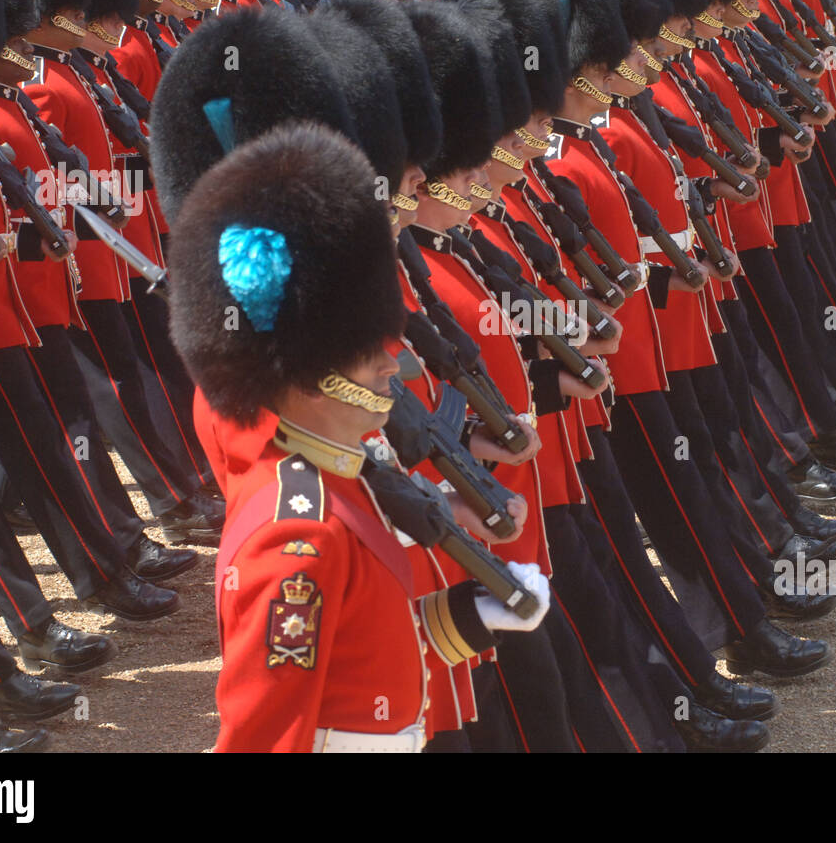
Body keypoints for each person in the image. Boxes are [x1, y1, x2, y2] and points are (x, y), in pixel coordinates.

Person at [167, 119, 550, 752]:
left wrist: (475, 618)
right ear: (310, 374)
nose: (387, 365)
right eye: (360, 349)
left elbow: (374, 640)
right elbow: (268, 734)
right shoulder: (297, 535)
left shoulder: (346, 485)